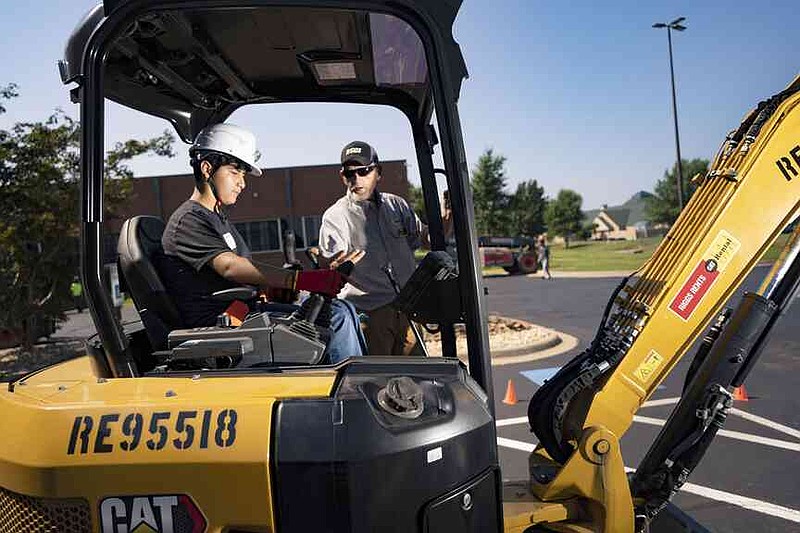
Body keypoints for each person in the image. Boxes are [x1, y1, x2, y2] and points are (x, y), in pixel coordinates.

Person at [160, 123, 366, 363]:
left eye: (243, 175)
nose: (242, 183)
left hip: (245, 315)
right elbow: (230, 267)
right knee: (336, 316)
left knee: (345, 309)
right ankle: (349, 391)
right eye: (234, 172)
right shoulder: (188, 221)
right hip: (221, 330)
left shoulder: (217, 218)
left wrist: (275, 289)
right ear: (207, 169)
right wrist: (303, 280)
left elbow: (238, 274)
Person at [318, 141, 446, 356]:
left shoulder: (396, 206)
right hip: (371, 314)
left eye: (364, 171)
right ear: (343, 176)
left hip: (408, 310)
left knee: (416, 380)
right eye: (350, 174)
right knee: (377, 383)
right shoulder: (336, 216)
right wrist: (334, 265)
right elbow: (331, 264)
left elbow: (426, 240)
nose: (357, 179)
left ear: (378, 172)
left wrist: (447, 219)